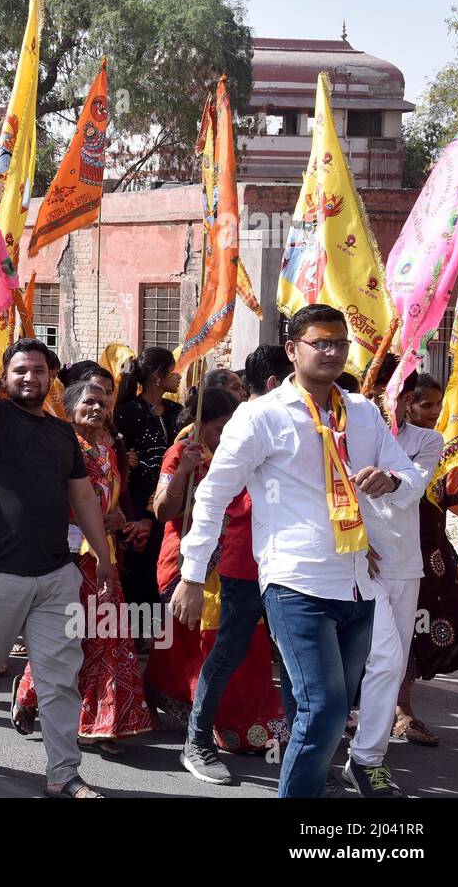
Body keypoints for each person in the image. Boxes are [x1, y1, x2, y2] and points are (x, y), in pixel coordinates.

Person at [174, 304, 424, 797]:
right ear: (292, 350)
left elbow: (413, 479)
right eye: (320, 343)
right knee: (323, 710)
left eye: (340, 343)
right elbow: (213, 493)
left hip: (359, 583)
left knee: (332, 712)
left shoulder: (364, 413)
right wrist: (192, 573)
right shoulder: (260, 416)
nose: (332, 352)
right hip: (296, 582)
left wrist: (390, 478)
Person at [0, 333, 113, 798]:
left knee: (59, 680)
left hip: (56, 576)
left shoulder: (62, 434)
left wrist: (105, 557)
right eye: (20, 370)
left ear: (51, 376)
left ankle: (64, 774)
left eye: (38, 370)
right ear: (5, 378)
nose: (30, 377)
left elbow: (82, 497)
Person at [12, 379, 155, 755]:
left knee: (107, 637)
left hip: (102, 556)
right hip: (66, 554)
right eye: (89, 402)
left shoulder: (109, 451)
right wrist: (80, 521)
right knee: (64, 634)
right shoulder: (61, 445)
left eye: (102, 403)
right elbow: (46, 498)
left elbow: (112, 501)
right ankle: (29, 693)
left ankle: (103, 724)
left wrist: (116, 516)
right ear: (70, 408)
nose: (97, 409)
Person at [170, 347, 292, 787]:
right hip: (238, 562)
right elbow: (206, 500)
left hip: (294, 562)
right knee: (227, 653)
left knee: (293, 659)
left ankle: (302, 751)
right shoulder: (251, 424)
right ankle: (197, 741)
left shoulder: (321, 421)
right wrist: (192, 575)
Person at [341, 365, 442, 796]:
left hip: (403, 563)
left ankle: (365, 757)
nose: (434, 412)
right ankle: (361, 756)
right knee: (377, 658)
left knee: (393, 662)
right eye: (380, 390)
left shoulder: (426, 441)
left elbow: (412, 486)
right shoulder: (350, 429)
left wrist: (392, 478)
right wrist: (359, 544)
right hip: (357, 562)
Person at [396, 374, 458, 743]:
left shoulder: (433, 445)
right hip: (397, 553)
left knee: (424, 629)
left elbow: (432, 497)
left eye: (438, 406)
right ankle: (398, 712)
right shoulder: (388, 443)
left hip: (433, 556)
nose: (433, 412)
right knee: (396, 636)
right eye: (426, 405)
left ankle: (402, 707)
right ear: (407, 402)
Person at [114, 346, 183, 622]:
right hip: (137, 502)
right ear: (157, 376)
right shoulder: (127, 412)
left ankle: (163, 630)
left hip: (172, 500)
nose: (177, 377)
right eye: (172, 371)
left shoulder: (177, 412)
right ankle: (139, 630)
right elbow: (119, 460)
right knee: (141, 566)